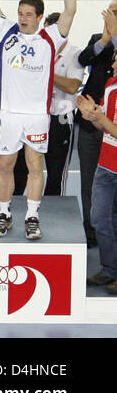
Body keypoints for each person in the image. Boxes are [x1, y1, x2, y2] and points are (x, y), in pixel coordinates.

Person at [0, 0, 78, 239]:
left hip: (36, 115)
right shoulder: (6, 31)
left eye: (28, 14)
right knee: (6, 165)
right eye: (20, 13)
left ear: (40, 17)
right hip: (8, 114)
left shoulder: (51, 37)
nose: (22, 18)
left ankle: (32, 216)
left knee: (35, 166)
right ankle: (4, 213)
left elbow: (70, 10)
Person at [14, 12, 84, 196]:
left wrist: (46, 72)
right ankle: (14, 207)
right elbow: (15, 75)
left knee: (56, 172)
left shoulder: (75, 54)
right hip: (33, 115)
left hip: (60, 118)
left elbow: (72, 86)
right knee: (21, 167)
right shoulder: (33, 49)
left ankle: (55, 215)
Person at [77, 0, 117, 247]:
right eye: (111, 12)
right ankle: (91, 235)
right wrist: (105, 38)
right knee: (89, 180)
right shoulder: (97, 38)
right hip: (92, 124)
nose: (112, 16)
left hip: (112, 126)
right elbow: (83, 59)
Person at [78, 63, 117, 294]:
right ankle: (109, 270)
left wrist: (100, 118)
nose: (111, 65)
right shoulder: (111, 85)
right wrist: (91, 116)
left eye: (116, 60)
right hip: (105, 166)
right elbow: (104, 125)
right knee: (100, 219)